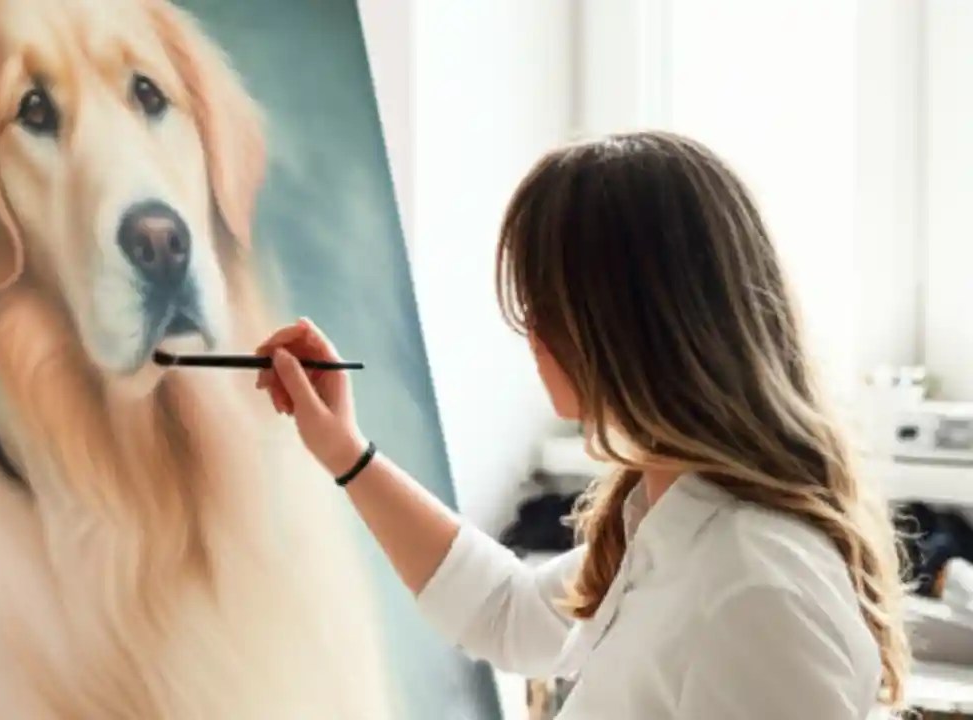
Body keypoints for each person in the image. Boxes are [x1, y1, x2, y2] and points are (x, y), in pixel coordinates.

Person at [254, 131, 908, 719]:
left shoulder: (756, 590)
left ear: (625, 324)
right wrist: (344, 449)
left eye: (543, 305)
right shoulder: (669, 524)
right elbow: (504, 611)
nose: (530, 332)